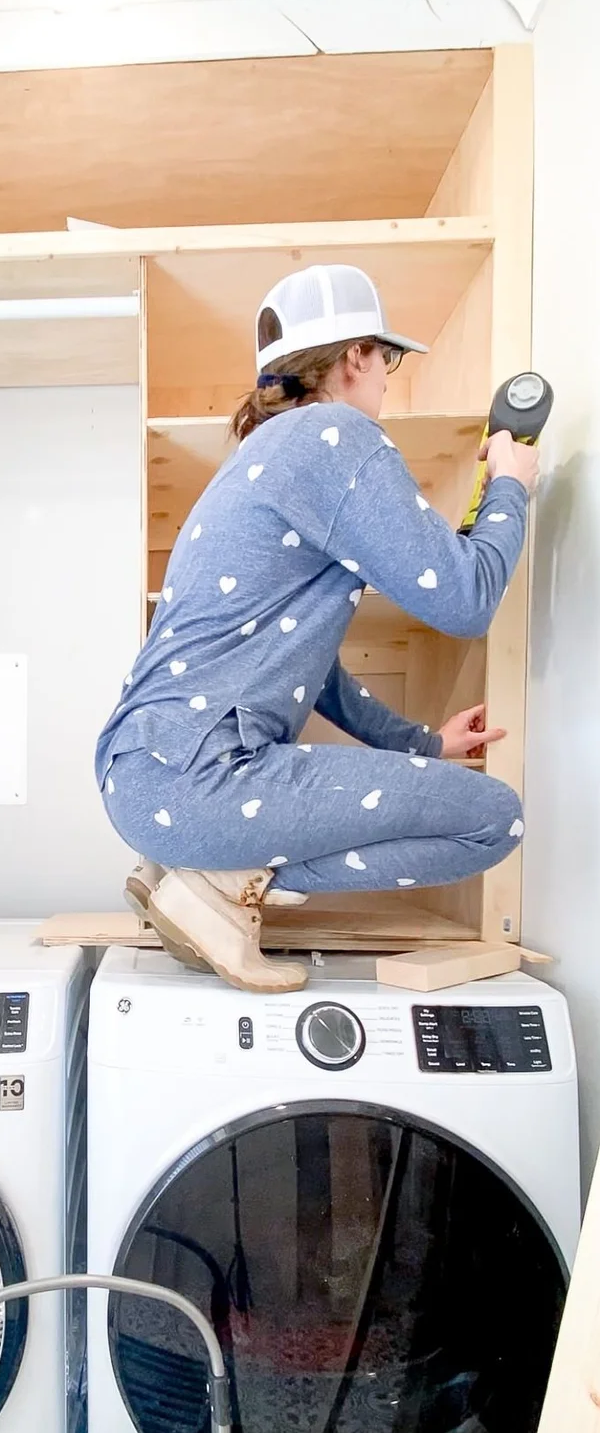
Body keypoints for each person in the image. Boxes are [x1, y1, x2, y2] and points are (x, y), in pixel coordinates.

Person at [94, 264, 540, 993]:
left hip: (145, 775)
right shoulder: (335, 436)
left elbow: (312, 668)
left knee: (476, 811)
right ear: (356, 356)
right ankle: (222, 880)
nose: (388, 380)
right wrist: (511, 485)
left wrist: (425, 743)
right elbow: (466, 600)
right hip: (202, 778)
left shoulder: (254, 461)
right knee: (494, 820)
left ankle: (206, 872)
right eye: (386, 359)